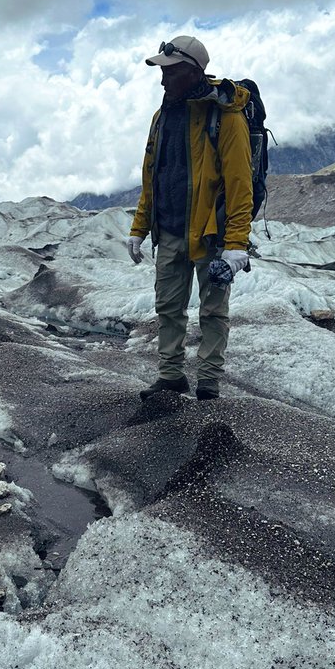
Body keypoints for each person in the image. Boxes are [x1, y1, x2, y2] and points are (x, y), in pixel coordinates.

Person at [128, 35, 252, 400]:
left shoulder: (225, 116)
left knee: (212, 311)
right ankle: (171, 376)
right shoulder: (161, 117)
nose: (163, 80)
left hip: (210, 235)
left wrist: (236, 244)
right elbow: (152, 176)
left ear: (193, 71)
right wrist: (139, 227)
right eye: (162, 72)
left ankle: (208, 381)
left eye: (170, 72)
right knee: (168, 307)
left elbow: (240, 184)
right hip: (168, 231)